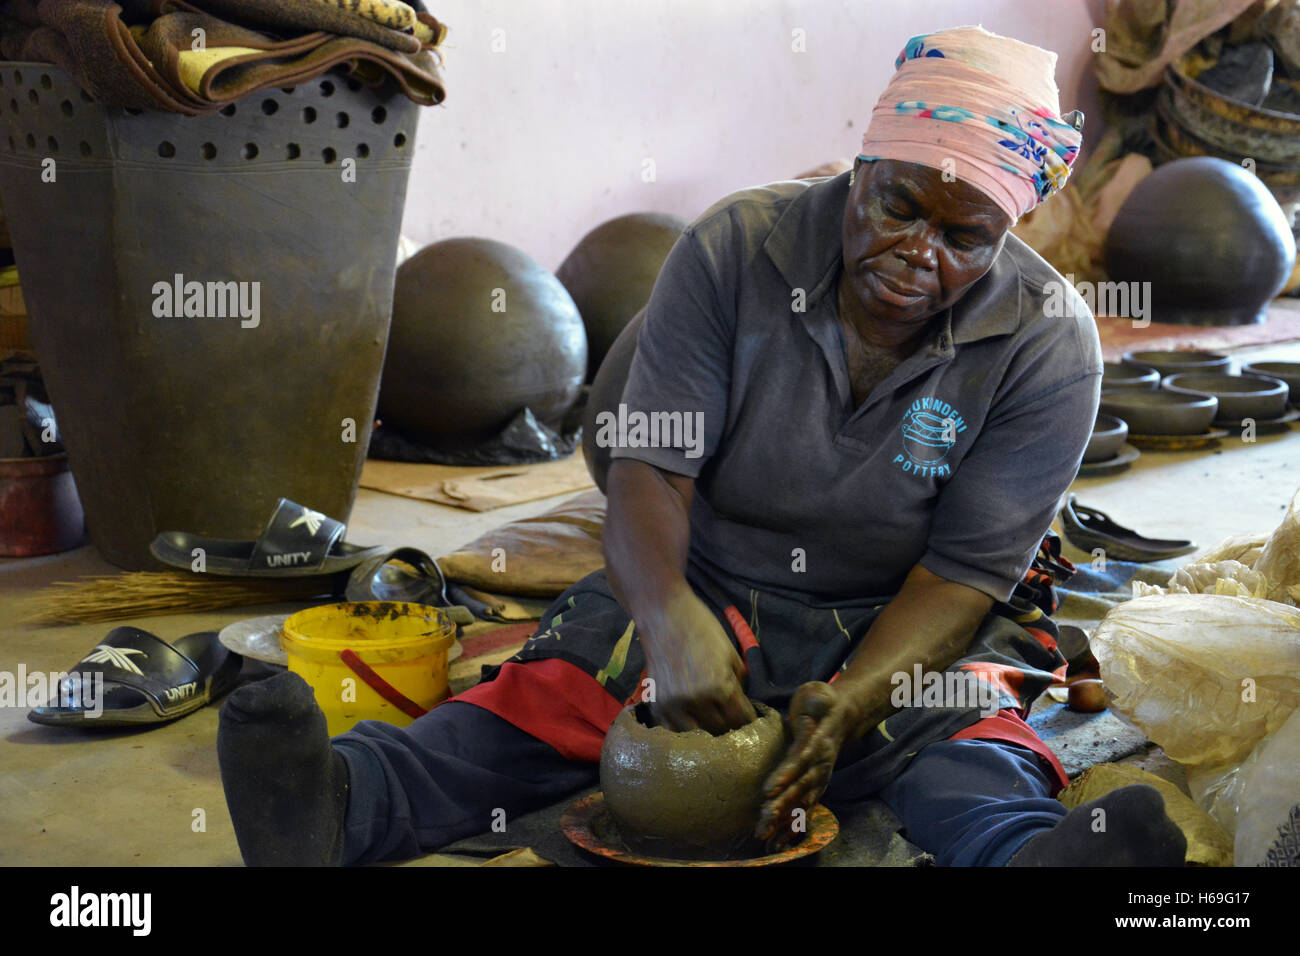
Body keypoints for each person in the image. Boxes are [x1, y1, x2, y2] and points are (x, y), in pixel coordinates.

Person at [217, 25, 1187, 867]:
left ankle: (1028, 851)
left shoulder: (1047, 339)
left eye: (963, 236)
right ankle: (334, 806)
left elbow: (962, 574)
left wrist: (849, 700)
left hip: (900, 614)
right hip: (716, 579)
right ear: (861, 167)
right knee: (559, 691)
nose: (917, 252)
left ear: (1007, 230)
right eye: (897, 205)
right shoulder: (734, 249)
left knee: (960, 734)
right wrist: (669, 610)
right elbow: (647, 467)